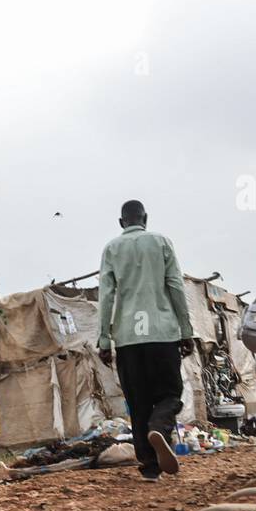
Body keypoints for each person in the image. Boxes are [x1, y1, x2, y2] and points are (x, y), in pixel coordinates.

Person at [96, 201, 194, 483]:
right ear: (145, 219)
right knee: (170, 395)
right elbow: (175, 285)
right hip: (162, 334)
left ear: (121, 222)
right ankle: (159, 429)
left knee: (138, 402)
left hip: (128, 339)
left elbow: (106, 295)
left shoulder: (111, 249)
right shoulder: (162, 242)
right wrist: (186, 330)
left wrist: (104, 339)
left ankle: (150, 468)